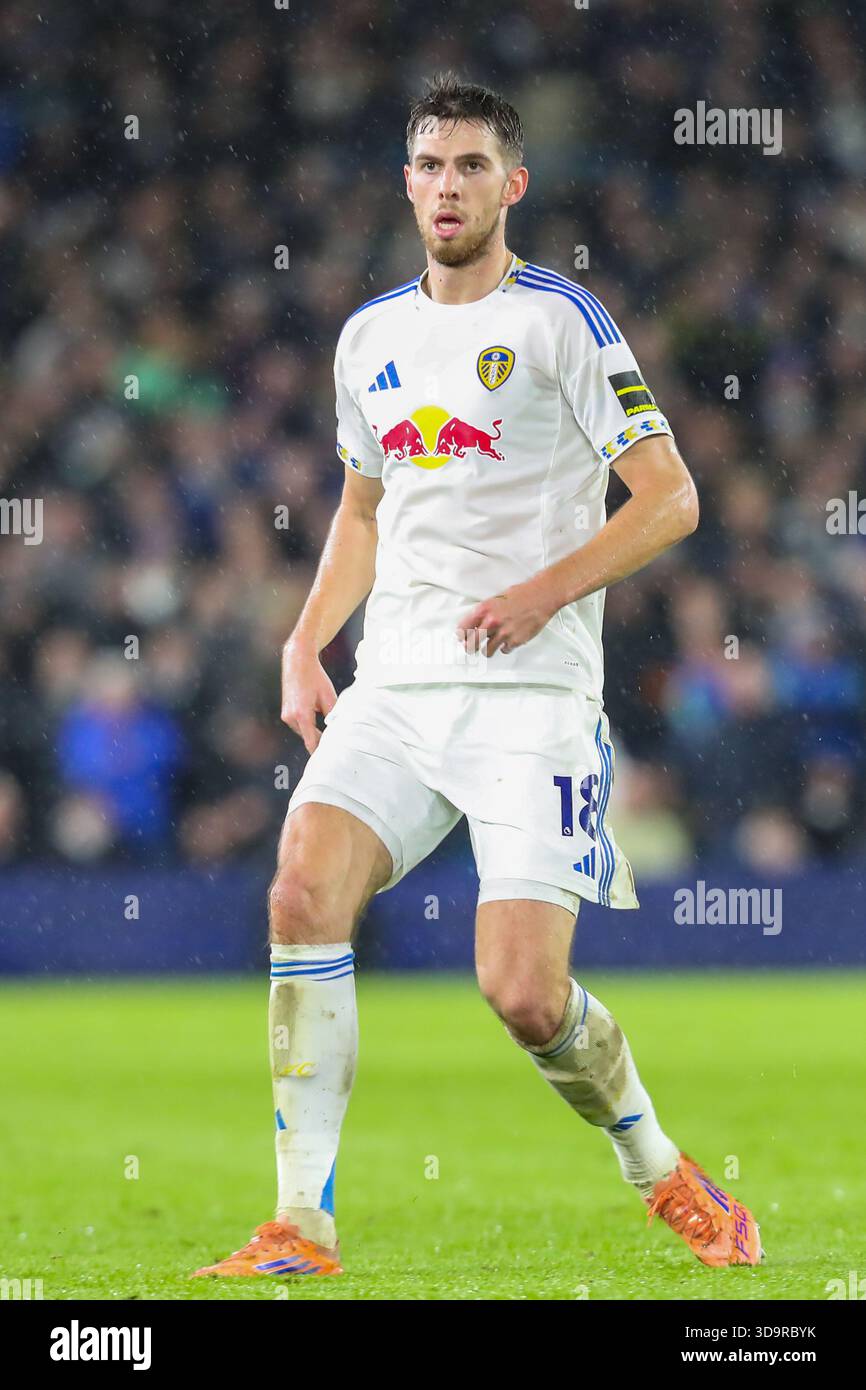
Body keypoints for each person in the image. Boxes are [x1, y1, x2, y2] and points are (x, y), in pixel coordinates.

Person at [194, 72, 761, 1279]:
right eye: (427, 166)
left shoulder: (561, 320)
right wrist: (305, 641)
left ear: (512, 184)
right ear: (404, 183)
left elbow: (670, 498)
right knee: (299, 890)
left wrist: (542, 588)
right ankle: (301, 1222)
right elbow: (360, 510)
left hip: (532, 700)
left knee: (517, 991)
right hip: (397, 688)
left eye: (468, 168)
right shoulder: (370, 338)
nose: (446, 188)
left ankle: (661, 1169)